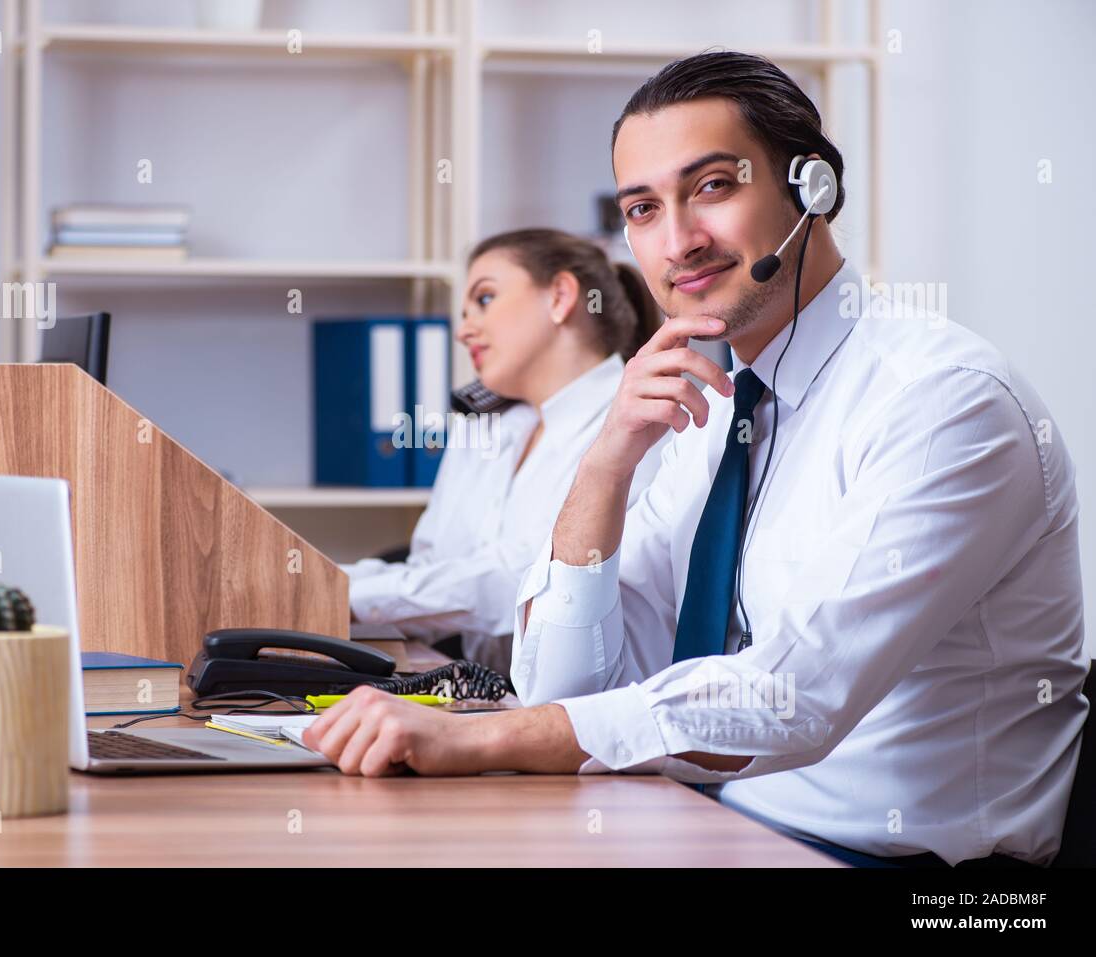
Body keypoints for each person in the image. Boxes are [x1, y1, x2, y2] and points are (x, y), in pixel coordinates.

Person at [303, 52, 1087, 869]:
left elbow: (791, 697)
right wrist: (606, 464)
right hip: (712, 825)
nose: (678, 241)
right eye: (643, 208)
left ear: (812, 185)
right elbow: (563, 687)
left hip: (896, 868)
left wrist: (486, 736)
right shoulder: (711, 409)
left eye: (713, 185)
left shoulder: (943, 403)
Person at [342, 228, 666, 675]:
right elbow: (431, 568)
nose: (463, 330)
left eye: (485, 299)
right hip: (483, 697)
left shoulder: (640, 420)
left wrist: (348, 596)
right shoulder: (490, 427)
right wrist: (325, 582)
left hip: (590, 711)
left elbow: (525, 578)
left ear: (560, 297)